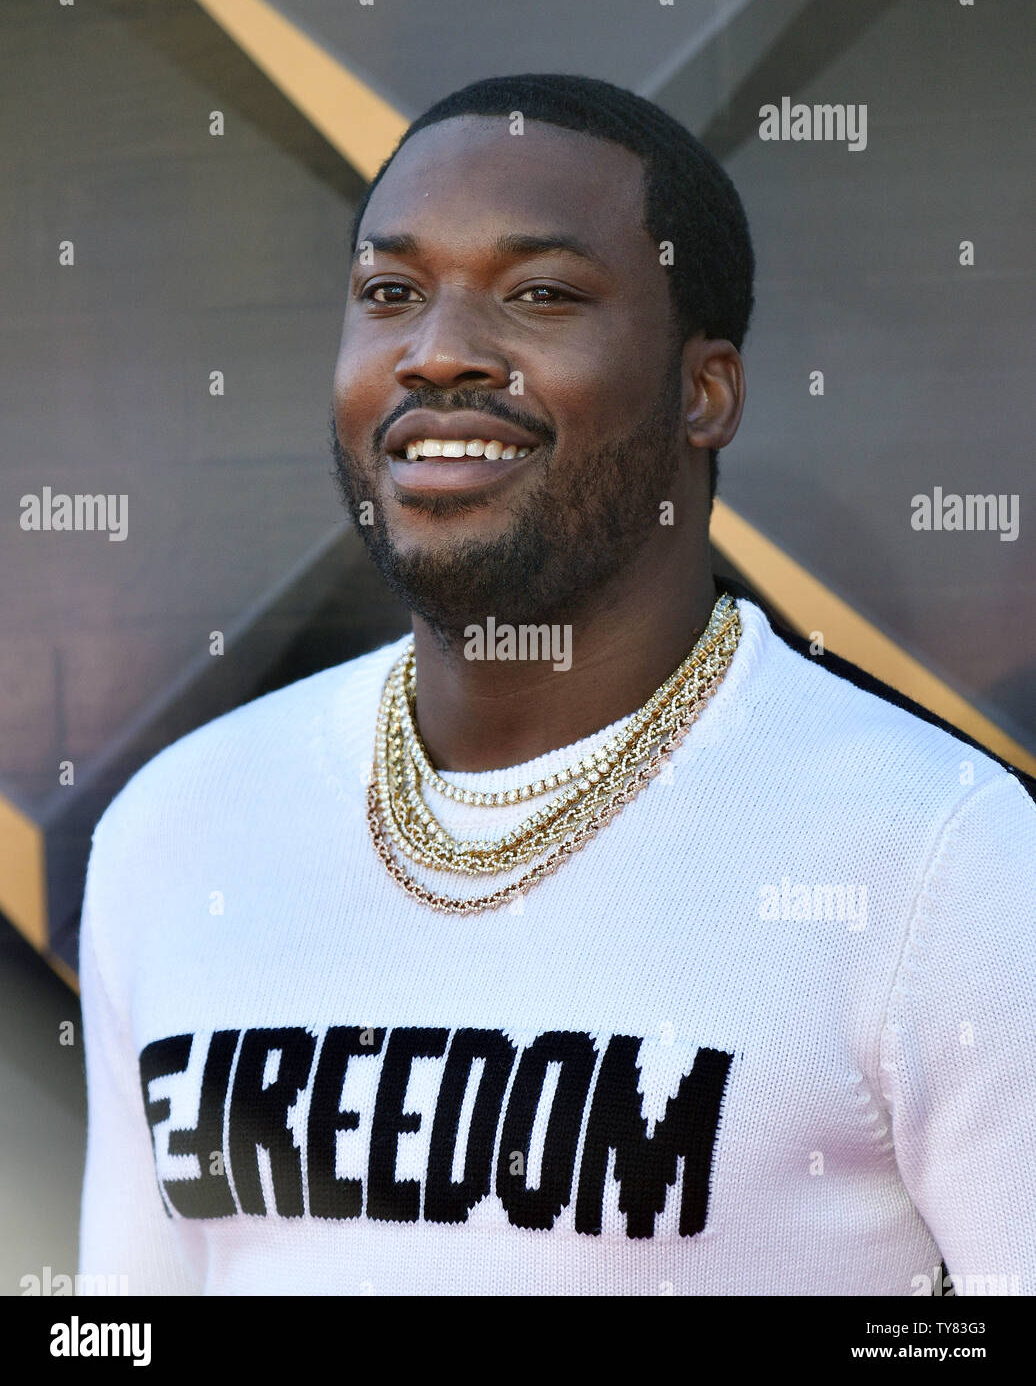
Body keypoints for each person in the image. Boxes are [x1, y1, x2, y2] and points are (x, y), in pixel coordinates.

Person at [78, 73, 1035, 1297]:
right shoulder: (179, 827)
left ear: (706, 390)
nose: (436, 355)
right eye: (390, 293)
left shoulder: (935, 852)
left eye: (539, 294)